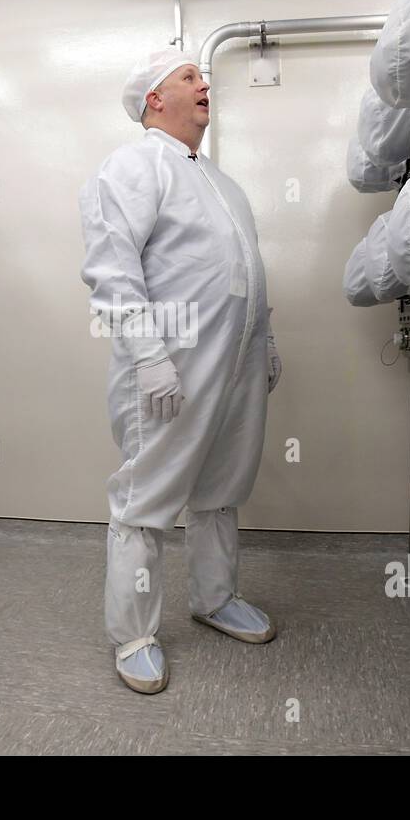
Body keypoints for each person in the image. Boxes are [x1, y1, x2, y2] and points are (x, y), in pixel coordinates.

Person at [78, 48, 282, 694]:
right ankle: (134, 633)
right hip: (173, 364)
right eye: (189, 77)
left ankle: (214, 598)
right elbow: (112, 269)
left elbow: (246, 271)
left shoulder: (223, 183)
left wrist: (265, 339)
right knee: (149, 497)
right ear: (153, 101)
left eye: (204, 76)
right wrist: (148, 356)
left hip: (236, 361)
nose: (205, 84)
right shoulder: (134, 166)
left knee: (222, 485)